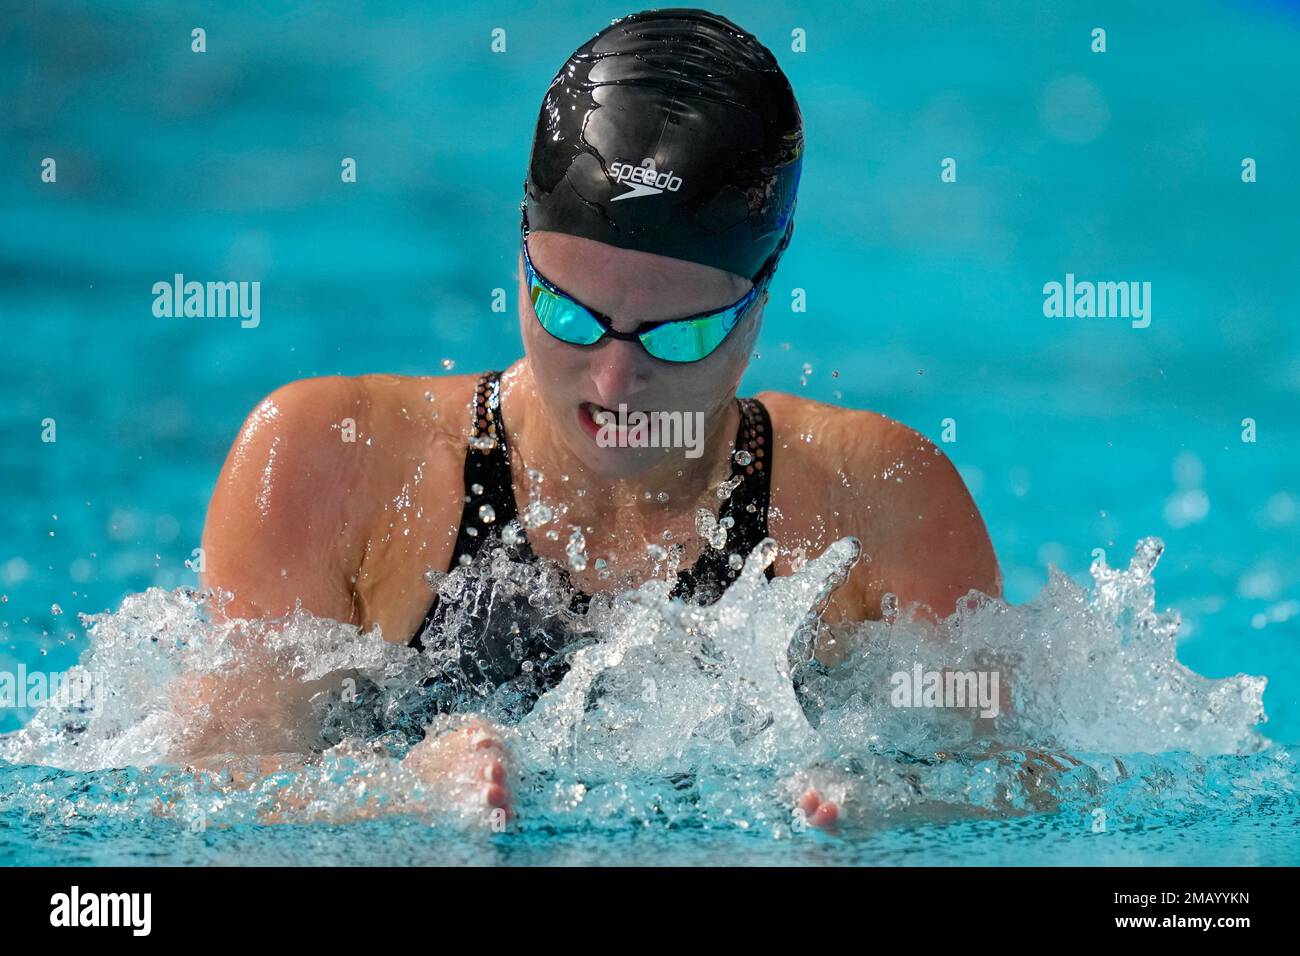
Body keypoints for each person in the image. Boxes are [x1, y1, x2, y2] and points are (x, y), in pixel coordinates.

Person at [194, 9, 1001, 830]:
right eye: (572, 315)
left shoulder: (881, 499)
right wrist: (398, 797)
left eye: (679, 336)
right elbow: (205, 791)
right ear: (520, 252)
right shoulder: (329, 458)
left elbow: (1021, 780)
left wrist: (899, 812)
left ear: (763, 294)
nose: (615, 382)